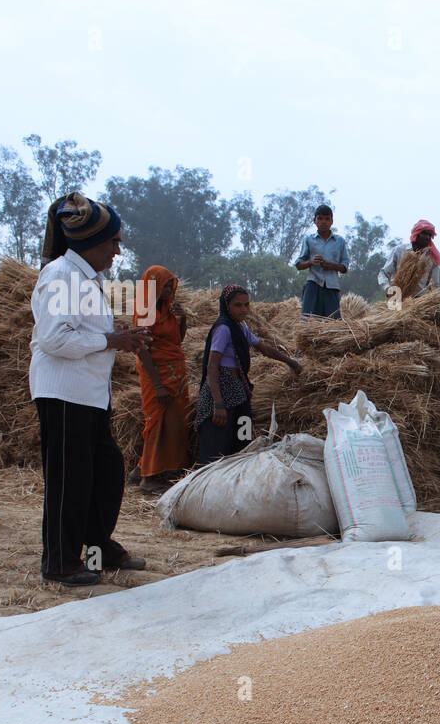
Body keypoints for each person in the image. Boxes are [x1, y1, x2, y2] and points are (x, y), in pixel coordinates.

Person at [29, 191, 152, 587]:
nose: (118, 249)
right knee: (70, 478)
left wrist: (122, 337)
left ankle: (98, 546)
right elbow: (53, 339)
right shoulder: (61, 276)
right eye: (114, 241)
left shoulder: (88, 279)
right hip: (63, 393)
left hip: (88, 393)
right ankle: (60, 562)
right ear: (91, 243)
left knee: (106, 470)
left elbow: (88, 332)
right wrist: (110, 341)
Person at [196, 284, 302, 466]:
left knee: (242, 439)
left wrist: (290, 361)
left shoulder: (240, 328)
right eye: (238, 305)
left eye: (246, 305)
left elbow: (264, 348)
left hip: (239, 392)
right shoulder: (224, 329)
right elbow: (212, 367)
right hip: (221, 392)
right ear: (226, 305)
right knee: (217, 448)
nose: (244, 309)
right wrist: (218, 403)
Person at [133, 265, 190, 494]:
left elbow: (176, 341)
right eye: (165, 285)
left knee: (173, 423)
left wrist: (182, 318)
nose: (169, 289)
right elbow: (142, 349)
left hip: (175, 374)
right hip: (156, 374)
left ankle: (143, 469)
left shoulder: (168, 309)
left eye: (170, 285)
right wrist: (157, 385)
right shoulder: (145, 310)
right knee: (156, 423)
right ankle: (149, 479)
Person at [294, 204, 348, 319]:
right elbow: (298, 264)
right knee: (307, 321)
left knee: (333, 323)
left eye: (327, 219)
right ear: (315, 221)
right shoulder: (308, 239)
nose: (323, 222)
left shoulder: (339, 241)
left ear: (332, 221)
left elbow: (345, 266)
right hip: (313, 285)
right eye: (320, 218)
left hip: (332, 287)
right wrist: (311, 262)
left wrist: (332, 265)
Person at [378, 219, 440, 298]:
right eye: (425, 234)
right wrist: (388, 289)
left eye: (430, 235)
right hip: (396, 299)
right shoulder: (399, 251)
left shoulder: (431, 258)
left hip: (419, 302)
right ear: (417, 234)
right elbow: (383, 273)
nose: (428, 237)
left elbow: (435, 285)